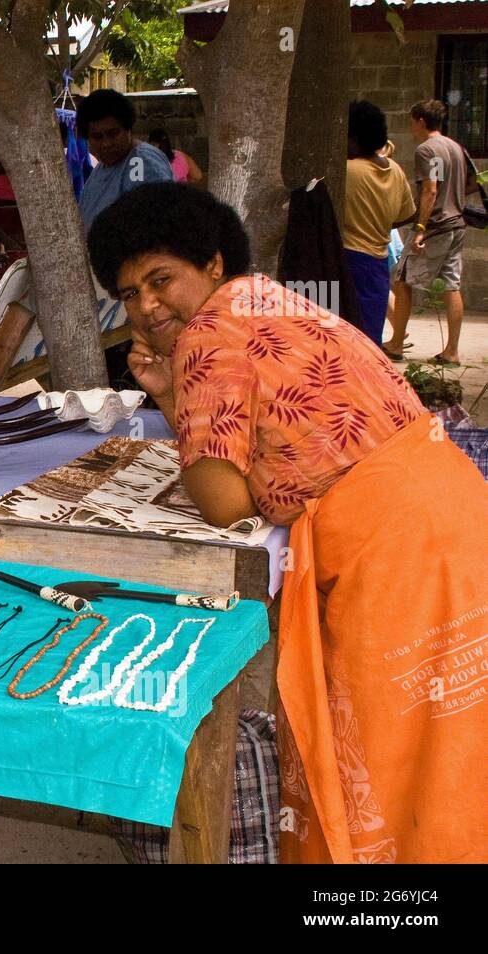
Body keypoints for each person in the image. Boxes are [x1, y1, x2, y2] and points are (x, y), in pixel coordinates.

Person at [87, 182, 488, 864]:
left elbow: (222, 500)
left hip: (393, 553)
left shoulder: (210, 331)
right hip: (450, 514)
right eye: (128, 294)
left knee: (391, 764)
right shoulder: (265, 301)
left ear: (213, 264)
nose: (146, 307)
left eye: (160, 280)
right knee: (450, 747)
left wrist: (179, 395)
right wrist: (172, 394)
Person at [386, 99, 473, 365]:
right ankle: (452, 351)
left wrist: (421, 227)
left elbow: (430, 189)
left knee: (401, 280)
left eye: (412, 121)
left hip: (435, 226)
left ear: (421, 121)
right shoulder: (456, 148)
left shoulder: (427, 150)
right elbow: (471, 181)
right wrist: (455, 200)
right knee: (450, 284)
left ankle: (396, 343)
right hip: (457, 223)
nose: (410, 127)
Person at [342, 101, 417, 347]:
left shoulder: (348, 171)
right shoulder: (395, 170)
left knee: (342, 335)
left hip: (349, 260)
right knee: (369, 338)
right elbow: (407, 214)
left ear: (353, 139)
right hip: (378, 262)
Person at [76, 89, 174, 233]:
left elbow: (150, 226)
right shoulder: (103, 166)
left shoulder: (138, 162)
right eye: (97, 137)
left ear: (128, 129)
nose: (106, 143)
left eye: (113, 133)